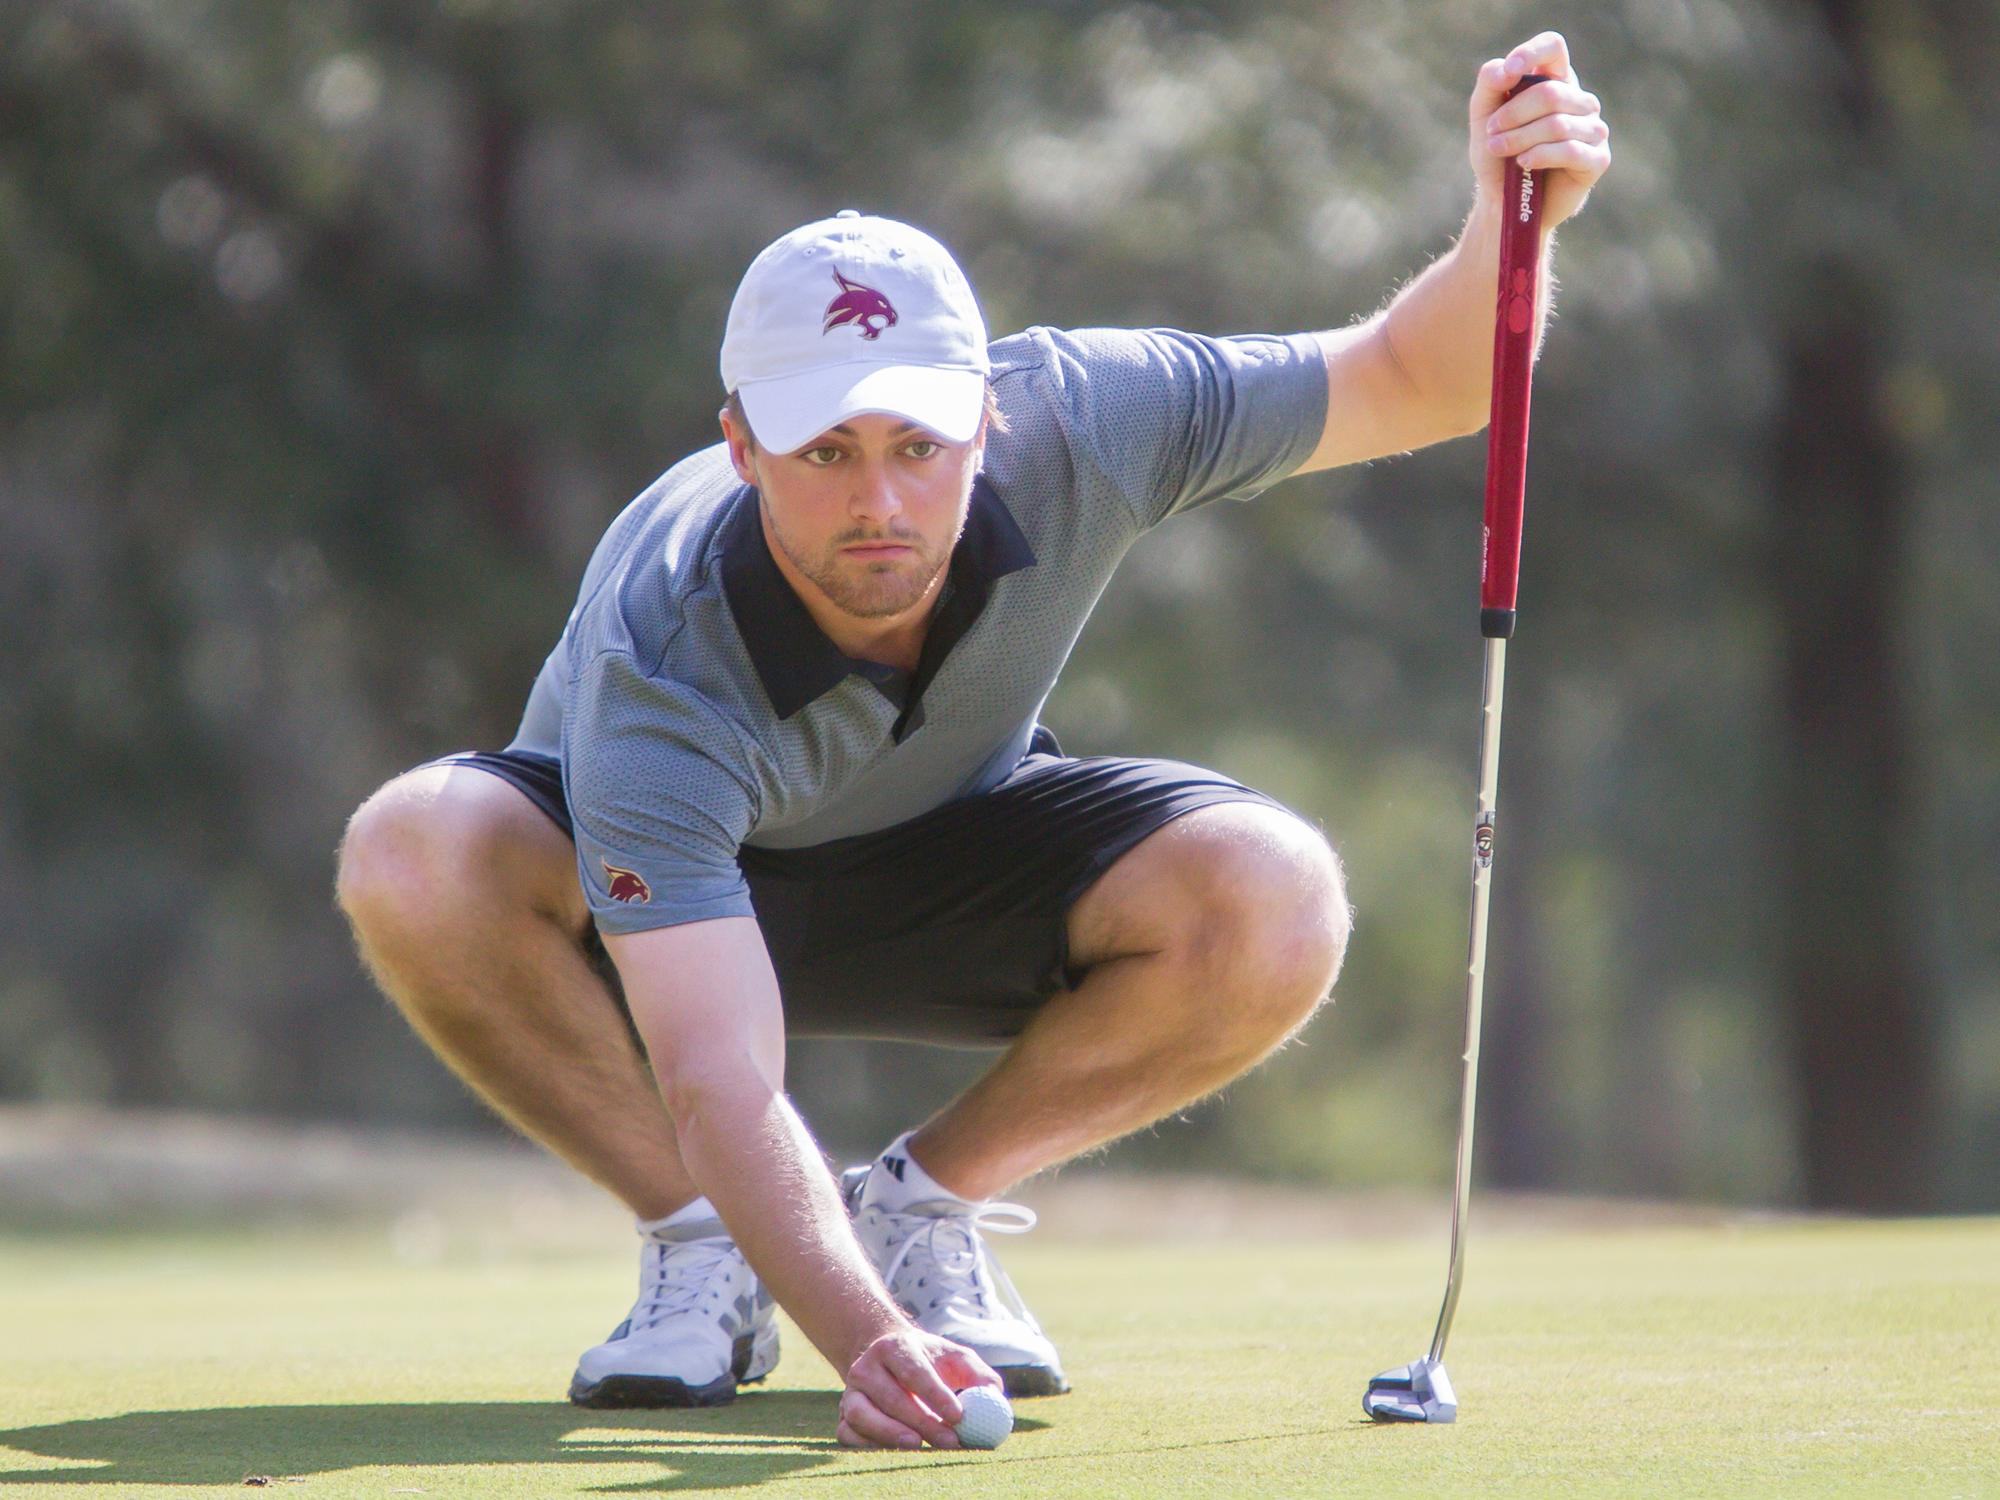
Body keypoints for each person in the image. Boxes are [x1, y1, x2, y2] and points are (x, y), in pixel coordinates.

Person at [334, 33, 1608, 1452]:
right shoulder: (662, 657)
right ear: (742, 444)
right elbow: (716, 1071)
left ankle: (917, 1208)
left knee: (1275, 892)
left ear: (987, 417)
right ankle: (707, 1248)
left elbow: (1416, 382)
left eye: (918, 445)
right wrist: (872, 1348)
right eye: (825, 452)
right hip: (652, 918)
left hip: (942, 858)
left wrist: (1509, 221)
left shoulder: (1093, 419)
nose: (880, 499)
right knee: (418, 851)